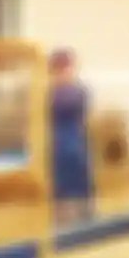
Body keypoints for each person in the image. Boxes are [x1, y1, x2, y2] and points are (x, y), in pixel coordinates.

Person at [49, 48, 94, 226]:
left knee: (77, 171)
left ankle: (81, 213)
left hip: (72, 139)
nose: (65, 73)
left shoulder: (76, 91)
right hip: (58, 140)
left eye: (67, 68)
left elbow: (80, 112)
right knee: (62, 176)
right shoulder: (51, 92)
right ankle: (64, 214)